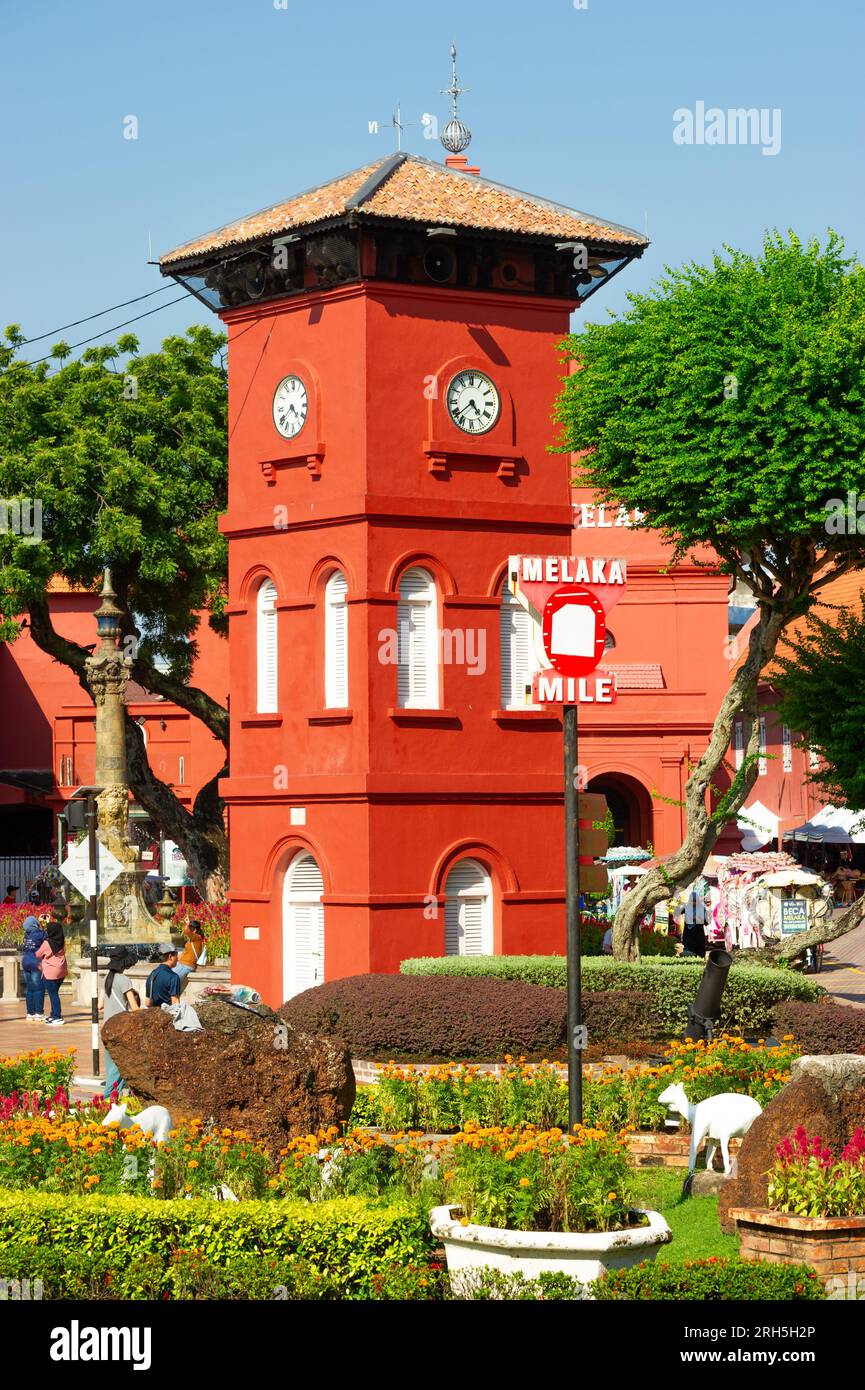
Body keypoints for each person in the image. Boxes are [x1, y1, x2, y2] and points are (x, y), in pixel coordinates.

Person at [101, 947, 141, 1100]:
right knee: (121, 1066)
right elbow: (135, 1008)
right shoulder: (124, 980)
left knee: (111, 1064)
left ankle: (114, 1096)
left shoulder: (106, 979)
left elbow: (99, 1005)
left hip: (106, 1027)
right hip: (120, 1028)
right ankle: (107, 1099)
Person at [36, 923, 68, 1025]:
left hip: (50, 973)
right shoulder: (62, 941)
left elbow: (38, 954)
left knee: (53, 994)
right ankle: (53, 1013)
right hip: (61, 971)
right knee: (54, 993)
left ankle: (57, 1016)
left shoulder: (47, 943)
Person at [20, 912, 47, 1022]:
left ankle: (30, 1013)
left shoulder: (26, 935)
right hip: (36, 963)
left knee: (29, 989)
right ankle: (39, 1013)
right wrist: (42, 923)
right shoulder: (38, 934)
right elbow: (48, 935)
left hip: (26, 962)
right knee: (39, 988)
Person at [174, 920, 207, 989]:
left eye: (190, 928)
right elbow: (186, 952)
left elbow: (186, 931)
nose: (188, 928)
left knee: (170, 982)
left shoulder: (197, 938)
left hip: (185, 966)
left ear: (194, 930)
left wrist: (187, 923)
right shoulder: (193, 939)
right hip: (182, 965)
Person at [681, 881, 709, 957]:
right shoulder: (686, 907)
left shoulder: (701, 908)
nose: (693, 902)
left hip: (698, 932)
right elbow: (680, 911)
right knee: (689, 948)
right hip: (689, 932)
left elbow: (706, 921)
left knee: (699, 949)